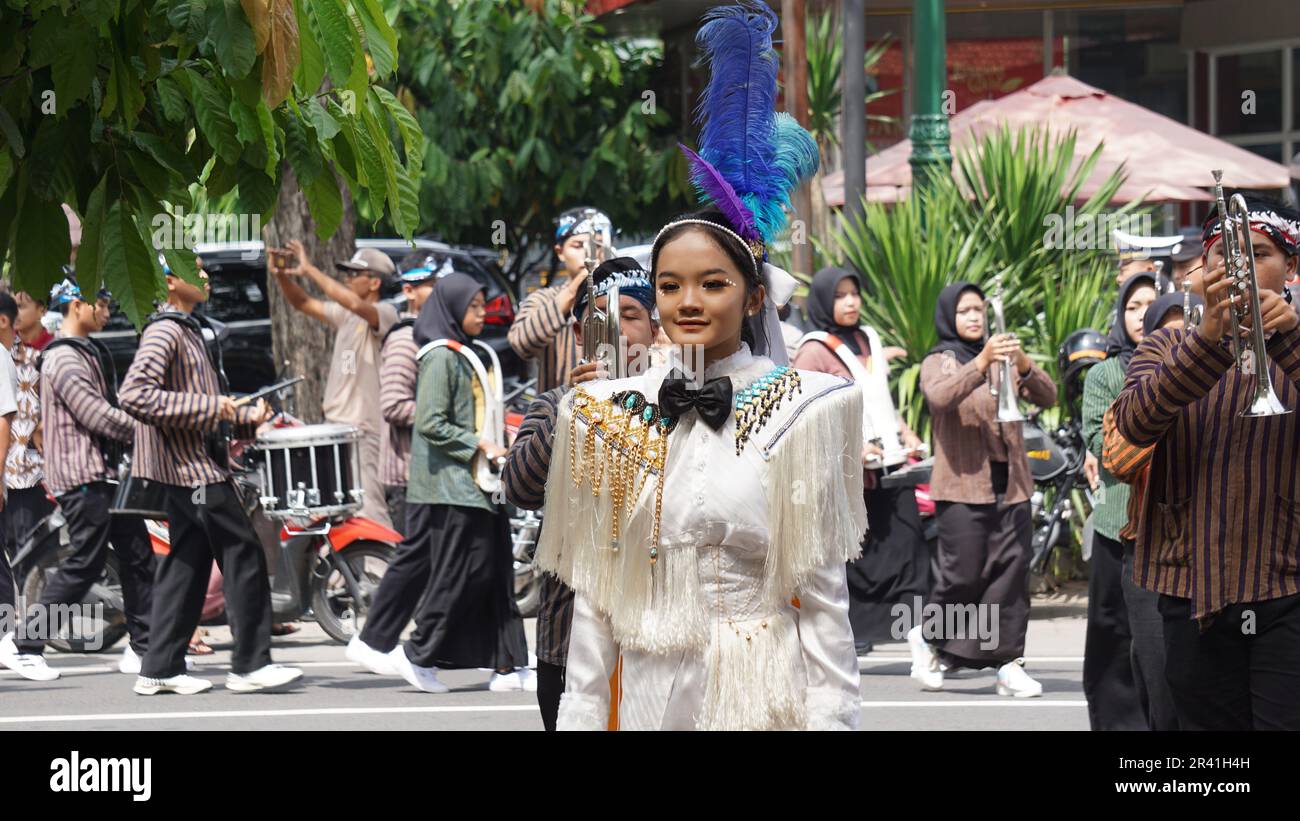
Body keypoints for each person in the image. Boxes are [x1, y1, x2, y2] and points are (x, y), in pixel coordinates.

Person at [536, 2, 865, 731]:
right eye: (669, 284)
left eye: (712, 283)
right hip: (648, 695)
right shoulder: (605, 415)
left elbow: (822, 604)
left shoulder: (807, 411)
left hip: (762, 695)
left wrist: (834, 721)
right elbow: (593, 604)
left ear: (752, 298)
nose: (688, 301)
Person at [1114, 194, 1300, 730]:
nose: (1236, 267)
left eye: (1257, 252)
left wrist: (1285, 340)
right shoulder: (1166, 344)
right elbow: (1132, 426)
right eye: (1222, 254)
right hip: (1191, 587)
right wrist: (1209, 343)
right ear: (1203, 266)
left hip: (1287, 585)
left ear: (1291, 267)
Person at [119, 264, 301, 695]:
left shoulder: (189, 331)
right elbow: (134, 395)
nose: (204, 275)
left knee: (186, 564)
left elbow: (201, 407)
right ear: (167, 281)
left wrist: (239, 417)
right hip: (190, 470)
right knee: (244, 550)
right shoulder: (165, 330)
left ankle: (159, 667)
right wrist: (212, 407)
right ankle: (249, 664)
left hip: (191, 465)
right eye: (193, 269)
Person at [502, 257, 659, 731]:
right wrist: (573, 411)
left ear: (655, 328)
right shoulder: (553, 404)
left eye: (630, 315)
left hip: (659, 635)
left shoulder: (680, 402)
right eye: (601, 316)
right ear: (578, 334)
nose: (617, 329)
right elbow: (519, 490)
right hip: (567, 638)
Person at [0, 279, 155, 680]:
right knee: (85, 561)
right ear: (76, 305)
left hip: (104, 474)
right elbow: (97, 414)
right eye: (100, 304)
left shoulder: (84, 352)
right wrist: (150, 430)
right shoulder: (63, 359)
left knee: (137, 553)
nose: (106, 311)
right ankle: (25, 645)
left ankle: (144, 647)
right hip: (81, 477)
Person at [384, 272, 531, 694]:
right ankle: (416, 652)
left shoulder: (468, 353)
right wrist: (479, 443)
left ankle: (508, 665)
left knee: (496, 569)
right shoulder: (440, 357)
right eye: (474, 307)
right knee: (462, 574)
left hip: (477, 484)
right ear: (451, 309)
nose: (482, 314)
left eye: (484, 306)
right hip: (453, 486)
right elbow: (430, 423)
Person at [911, 282, 1058, 696]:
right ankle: (927, 637)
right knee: (962, 575)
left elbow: (1048, 396)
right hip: (961, 488)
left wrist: (1024, 364)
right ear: (948, 318)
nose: (974, 317)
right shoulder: (940, 361)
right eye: (964, 311)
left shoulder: (1005, 362)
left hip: (1011, 486)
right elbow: (940, 398)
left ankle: (1008, 663)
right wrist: (980, 363)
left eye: (978, 309)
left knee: (1010, 577)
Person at [792, 266, 928, 655]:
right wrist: (854, 446)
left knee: (908, 549)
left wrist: (905, 431)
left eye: (855, 293)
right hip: (849, 475)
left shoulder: (869, 338)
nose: (851, 302)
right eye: (840, 295)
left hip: (892, 465)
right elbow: (806, 413)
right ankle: (854, 631)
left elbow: (878, 396)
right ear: (822, 300)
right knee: (858, 559)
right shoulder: (813, 350)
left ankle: (917, 636)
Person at [1101, 291, 1201, 732]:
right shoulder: (1131, 400)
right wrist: (1169, 401)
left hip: (1209, 560)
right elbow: (1118, 460)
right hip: (1147, 555)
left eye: (1190, 334)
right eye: (1168, 336)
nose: (1180, 347)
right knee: (1161, 689)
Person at [345, 258, 438, 674]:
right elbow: (395, 405)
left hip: (432, 470)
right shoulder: (405, 338)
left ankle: (424, 645)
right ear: (412, 291)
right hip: (408, 470)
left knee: (436, 559)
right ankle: (379, 640)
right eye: (429, 284)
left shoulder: (432, 335)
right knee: (416, 560)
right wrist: (444, 415)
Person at [270, 242, 399, 528]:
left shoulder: (385, 313)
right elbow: (302, 303)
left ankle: (383, 571)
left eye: (355, 274)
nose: (348, 279)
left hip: (364, 430)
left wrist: (310, 270)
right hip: (336, 428)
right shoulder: (347, 316)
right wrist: (282, 276)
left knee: (369, 512)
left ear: (375, 282)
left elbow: (353, 303)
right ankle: (346, 573)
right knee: (338, 511)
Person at [1079, 271, 1159, 730]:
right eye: (1132, 306)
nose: (1142, 313)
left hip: (1169, 525)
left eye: (1151, 302)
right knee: (1113, 635)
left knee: (1159, 638)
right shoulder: (1105, 373)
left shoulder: (1185, 365)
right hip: (1116, 523)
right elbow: (1098, 439)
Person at [508, 207, 613, 393]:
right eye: (578, 245)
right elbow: (520, 343)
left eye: (597, 245)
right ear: (560, 252)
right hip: (558, 416)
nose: (589, 252)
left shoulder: (621, 296)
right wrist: (576, 288)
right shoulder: (542, 299)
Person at [2, 289, 54, 565]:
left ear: (42, 309)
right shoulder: (10, 354)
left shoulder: (49, 353)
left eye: (22, 306)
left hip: (33, 470)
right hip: (9, 469)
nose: (16, 314)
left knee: (32, 551)